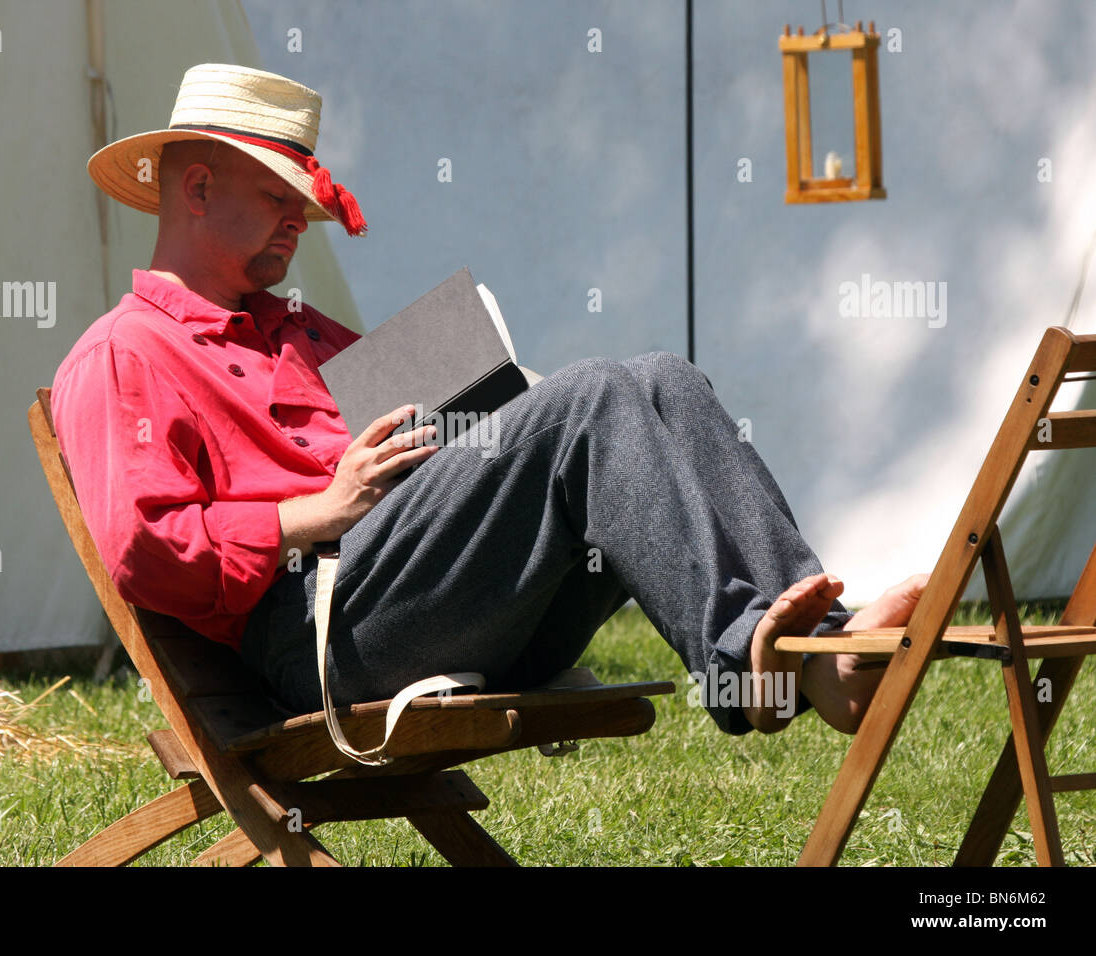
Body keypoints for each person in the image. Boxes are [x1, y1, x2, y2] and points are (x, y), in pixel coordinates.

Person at [53, 64, 928, 738]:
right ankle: (762, 666)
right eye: (277, 197)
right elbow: (141, 548)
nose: (296, 219)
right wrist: (313, 510)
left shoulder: (305, 331)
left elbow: (432, 476)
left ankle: (818, 654)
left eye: (302, 204)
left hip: (443, 601)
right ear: (197, 189)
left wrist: (497, 415)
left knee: (660, 377)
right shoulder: (124, 353)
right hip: (326, 638)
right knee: (593, 397)